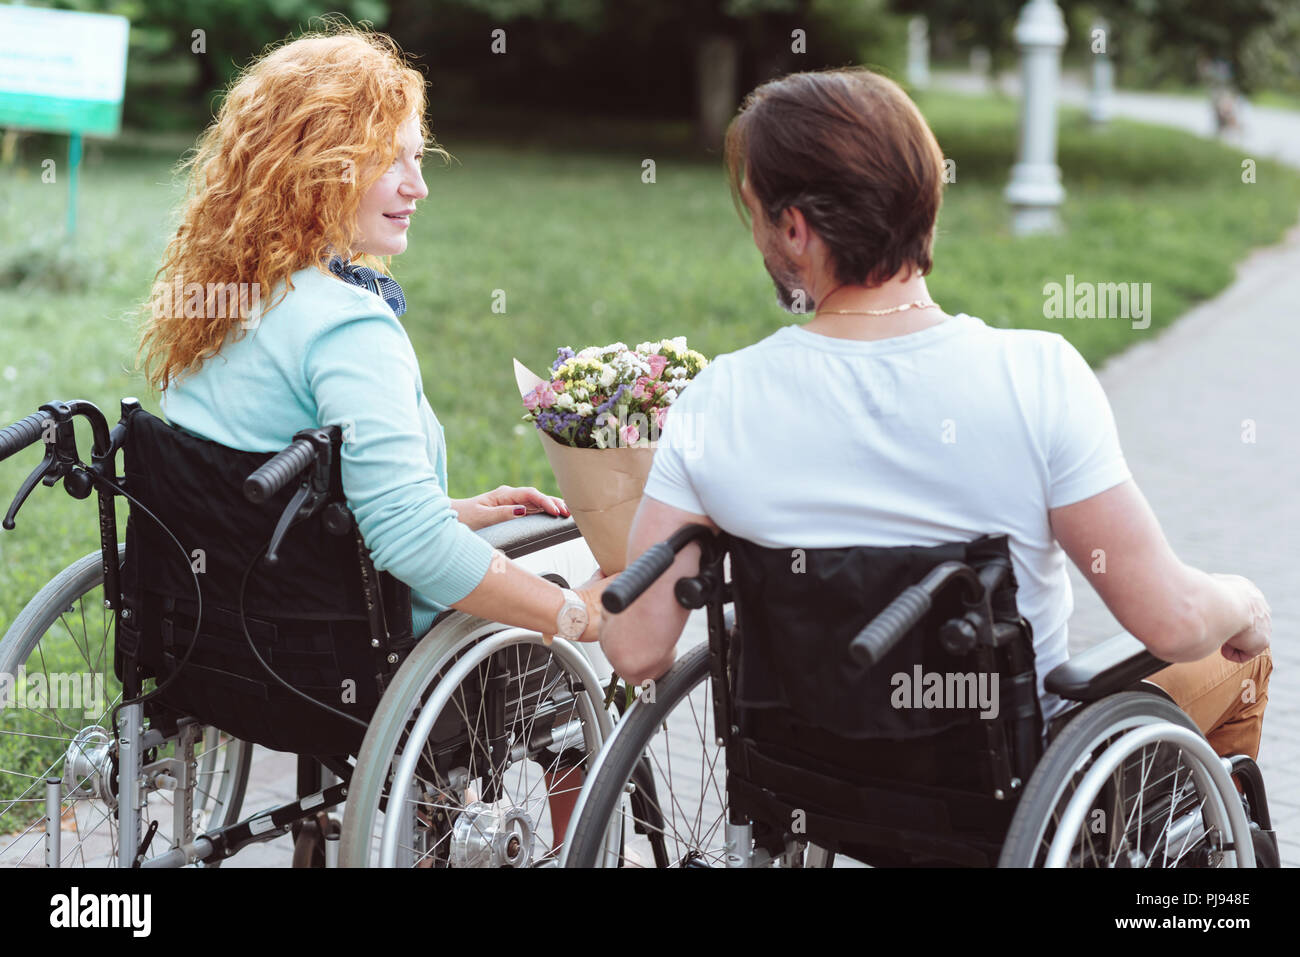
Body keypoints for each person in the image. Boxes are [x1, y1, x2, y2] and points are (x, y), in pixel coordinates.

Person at [601, 67, 1273, 768]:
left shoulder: (718, 400)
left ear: (794, 228)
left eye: (758, 215)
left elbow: (635, 649)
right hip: (1016, 787)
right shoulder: (1036, 377)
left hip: (808, 787)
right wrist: (1245, 600)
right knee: (1238, 657)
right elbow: (1172, 622)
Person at [134, 25, 610, 846]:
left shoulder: (216, 305)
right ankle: (586, 849)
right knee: (574, 628)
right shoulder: (347, 327)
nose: (417, 185)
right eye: (390, 160)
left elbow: (271, 497)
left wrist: (447, 507)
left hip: (217, 647)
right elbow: (414, 550)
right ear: (315, 167)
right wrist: (576, 615)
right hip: (354, 665)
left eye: (418, 158)